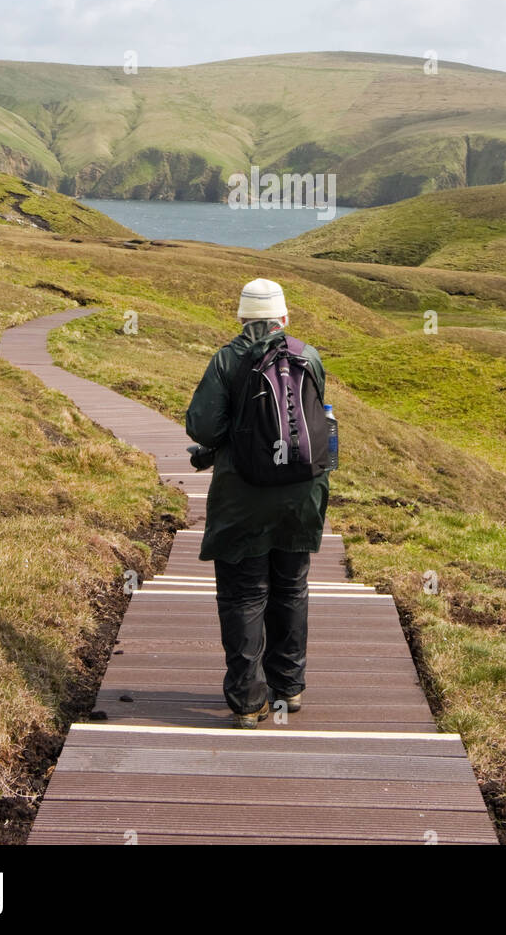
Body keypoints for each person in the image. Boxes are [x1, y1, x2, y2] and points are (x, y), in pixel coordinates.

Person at [185, 278, 329, 727]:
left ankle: (250, 702)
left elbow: (203, 428)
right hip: (302, 495)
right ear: (284, 317)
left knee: (245, 594)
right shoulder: (308, 355)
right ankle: (289, 686)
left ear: (242, 318)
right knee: (291, 587)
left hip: (242, 498)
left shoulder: (227, 359)